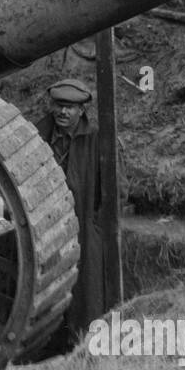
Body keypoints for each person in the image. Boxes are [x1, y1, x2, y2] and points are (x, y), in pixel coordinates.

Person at [37, 79, 107, 348]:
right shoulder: (38, 135)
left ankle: (84, 346)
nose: (63, 113)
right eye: (59, 106)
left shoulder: (98, 138)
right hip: (48, 229)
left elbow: (116, 188)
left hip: (86, 229)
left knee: (87, 292)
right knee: (48, 288)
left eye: (70, 108)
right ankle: (47, 346)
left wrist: (96, 226)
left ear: (82, 110)